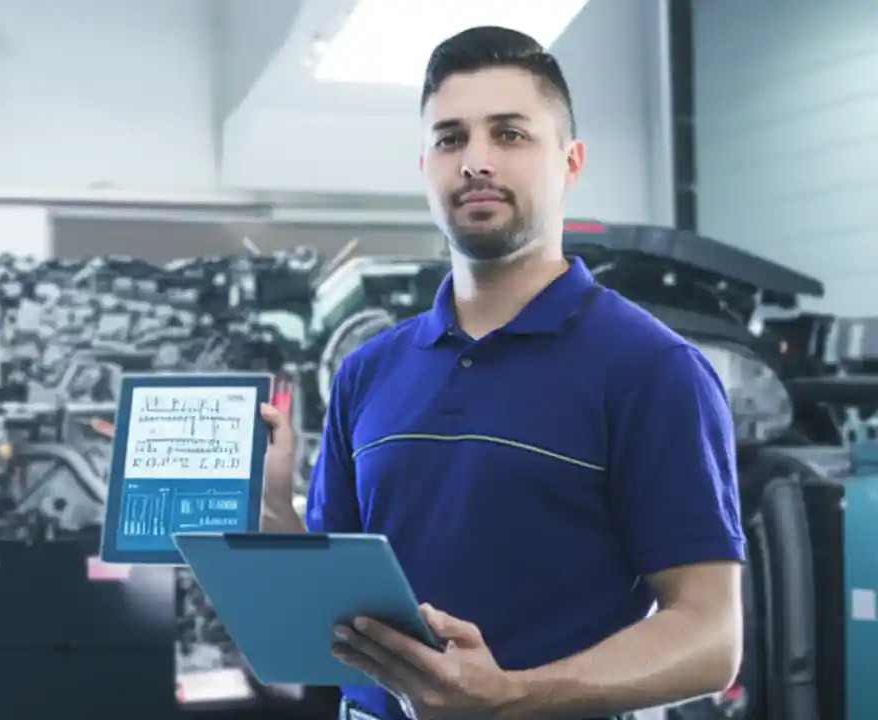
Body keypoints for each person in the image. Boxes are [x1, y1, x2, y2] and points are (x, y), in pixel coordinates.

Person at [257, 26, 746, 720]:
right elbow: (336, 618)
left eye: (510, 135)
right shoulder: (367, 372)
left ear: (570, 161)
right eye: (451, 138)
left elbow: (710, 636)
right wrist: (275, 515)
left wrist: (511, 697)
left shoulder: (652, 369)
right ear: (424, 162)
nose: (476, 162)